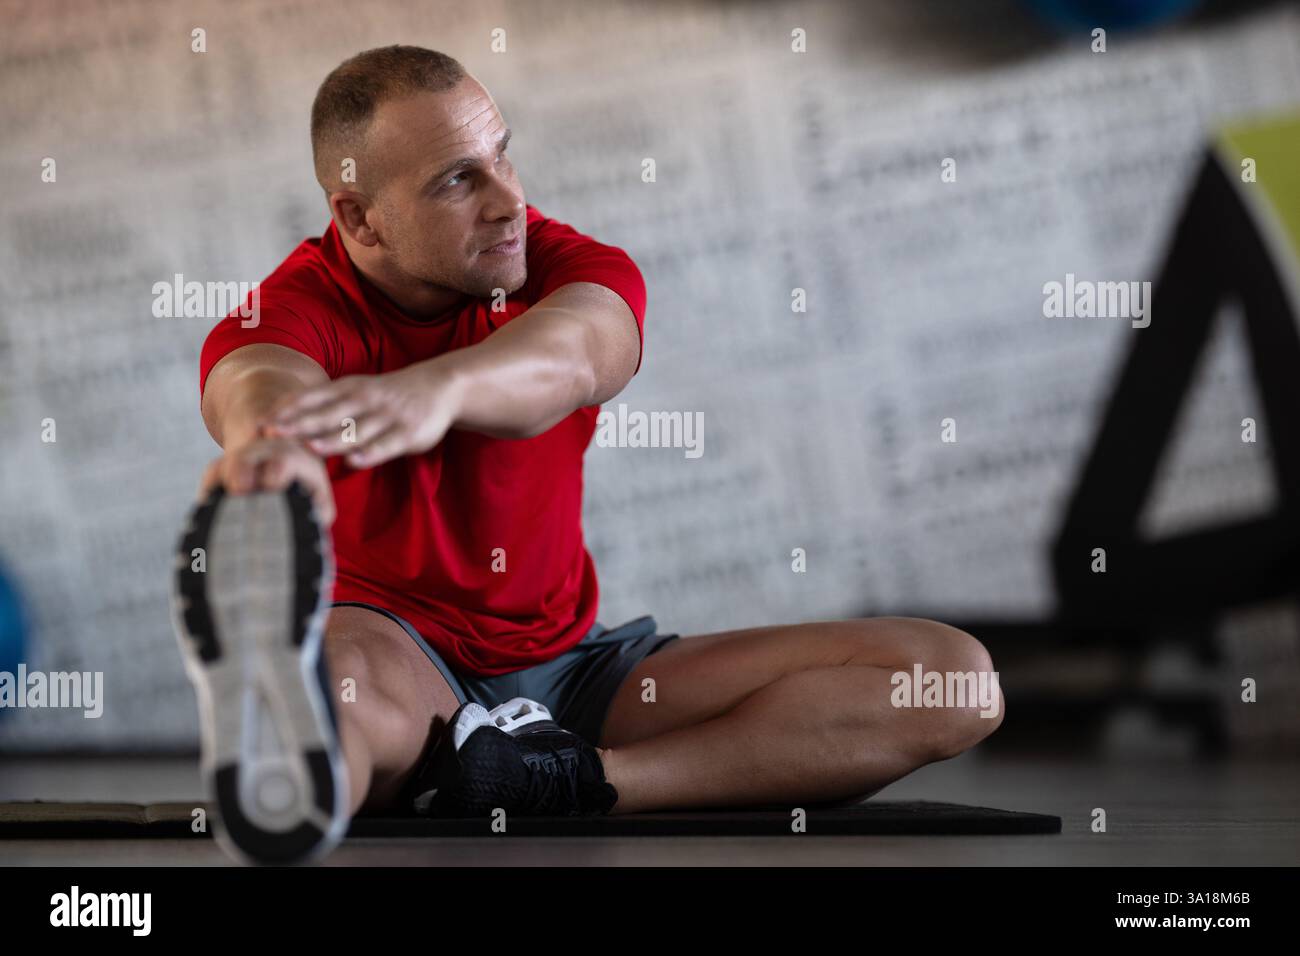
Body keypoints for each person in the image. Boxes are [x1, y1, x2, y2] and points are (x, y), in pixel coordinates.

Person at [173, 44, 1004, 865]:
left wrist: (433, 393)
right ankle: (289, 767)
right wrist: (269, 450)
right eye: (458, 180)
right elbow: (257, 380)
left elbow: (570, 359)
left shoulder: (565, 264)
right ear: (360, 217)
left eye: (502, 156)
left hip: (577, 673)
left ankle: (571, 782)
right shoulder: (294, 306)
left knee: (952, 680)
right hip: (396, 657)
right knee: (343, 700)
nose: (507, 202)